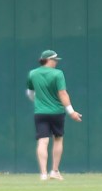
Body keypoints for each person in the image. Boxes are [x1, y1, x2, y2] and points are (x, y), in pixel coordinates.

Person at [26, 50, 82, 180]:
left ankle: (43, 173)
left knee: (42, 141)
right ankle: (54, 171)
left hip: (40, 112)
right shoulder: (58, 74)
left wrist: (38, 102)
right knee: (58, 139)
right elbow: (62, 93)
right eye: (55, 60)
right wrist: (71, 112)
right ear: (49, 60)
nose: (56, 62)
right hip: (57, 112)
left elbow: (30, 93)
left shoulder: (32, 73)